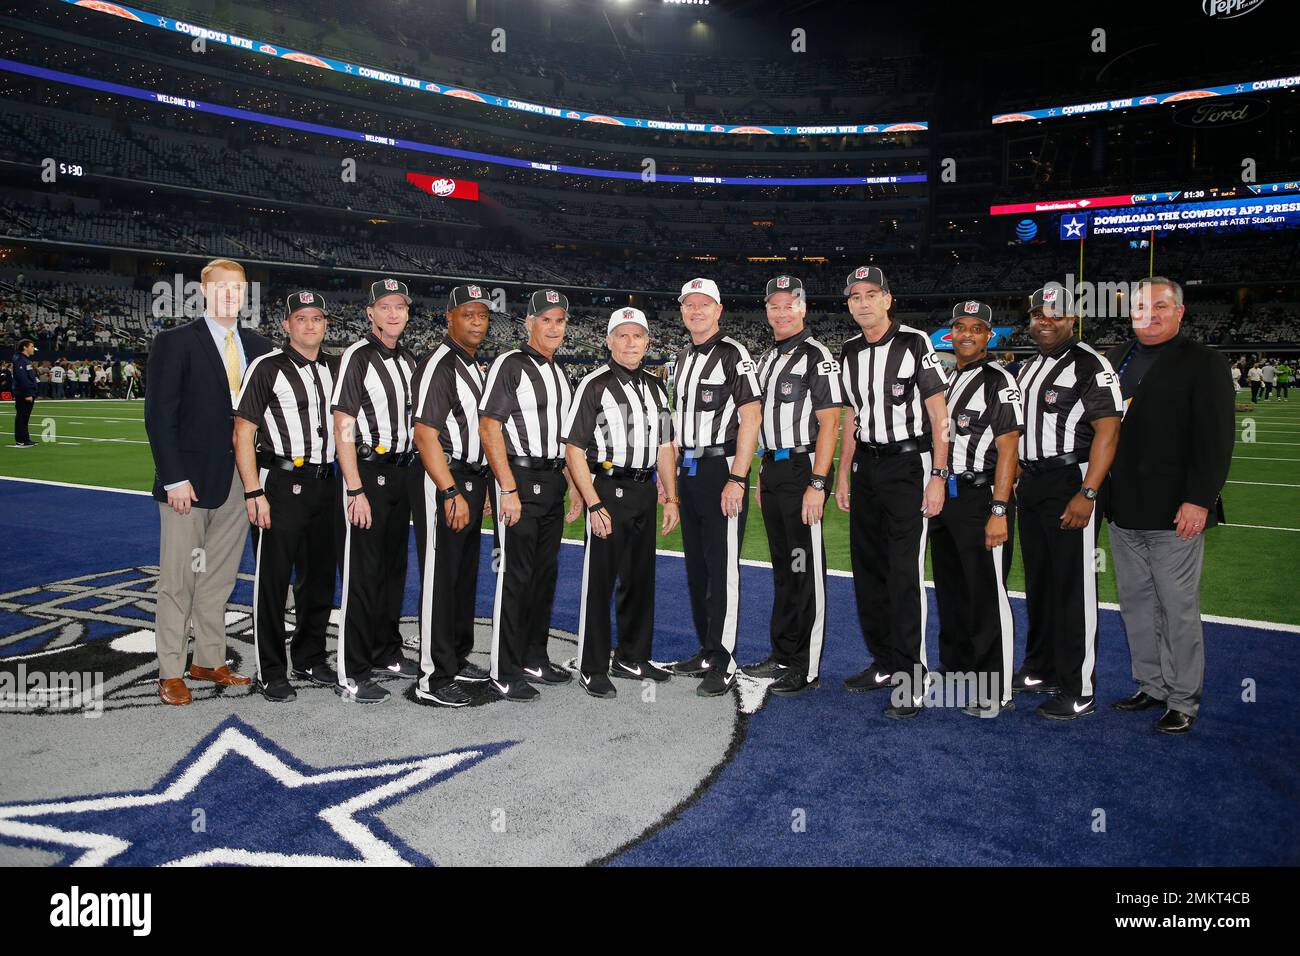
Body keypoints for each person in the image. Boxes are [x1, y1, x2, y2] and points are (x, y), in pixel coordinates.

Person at [1105, 277, 1234, 735]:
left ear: (1180, 312)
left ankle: (1183, 698)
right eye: (1141, 306)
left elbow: (1216, 439)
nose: (1150, 314)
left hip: (1175, 510)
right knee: (1136, 604)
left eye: (1161, 306)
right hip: (1123, 506)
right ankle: (1151, 685)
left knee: (1177, 607)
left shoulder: (1204, 362)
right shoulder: (1116, 358)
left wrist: (1199, 500)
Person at [144, 258, 272, 705]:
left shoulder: (259, 346)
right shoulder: (175, 341)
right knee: (178, 580)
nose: (230, 295)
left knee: (218, 578)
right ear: (203, 291)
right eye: (221, 288)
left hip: (241, 479)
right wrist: (173, 477)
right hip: (190, 483)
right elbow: (159, 416)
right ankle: (170, 670)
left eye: (237, 288)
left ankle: (209, 659)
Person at [835, 265, 951, 719]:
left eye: (871, 294)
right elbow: (851, 417)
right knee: (869, 570)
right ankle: (883, 661)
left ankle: (912, 676)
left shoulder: (914, 342)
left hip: (908, 464)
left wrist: (938, 474)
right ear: (849, 305)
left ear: (888, 299)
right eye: (855, 296)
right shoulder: (848, 350)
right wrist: (843, 474)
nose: (863, 302)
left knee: (904, 574)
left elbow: (939, 414)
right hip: (867, 464)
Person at [1012, 284, 1122, 720]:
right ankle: (1041, 668)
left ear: (1072, 319)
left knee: (1074, 585)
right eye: (1039, 314)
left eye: (1055, 314)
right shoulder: (1028, 367)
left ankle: (1079, 688)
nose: (1046, 321)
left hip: (1070, 478)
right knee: (1040, 581)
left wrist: (1088, 492)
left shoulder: (1090, 363)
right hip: (1033, 481)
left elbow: (1109, 431)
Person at [562, 307, 680, 699]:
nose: (631, 343)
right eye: (623, 335)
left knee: (639, 579)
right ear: (609, 341)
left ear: (647, 342)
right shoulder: (594, 384)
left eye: (637, 336)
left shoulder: (657, 388)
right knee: (599, 581)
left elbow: (666, 445)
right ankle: (592, 665)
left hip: (644, 489)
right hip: (608, 488)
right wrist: (593, 503)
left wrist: (671, 496)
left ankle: (632, 656)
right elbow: (574, 449)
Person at [234, 291, 340, 703]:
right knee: (274, 581)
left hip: (326, 483)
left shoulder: (336, 367)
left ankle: (310, 656)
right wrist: (253, 490)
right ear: (287, 325)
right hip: (280, 482)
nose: (310, 325)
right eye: (301, 318)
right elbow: (243, 432)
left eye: (317, 318)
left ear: (325, 324)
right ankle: (271, 670)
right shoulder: (267, 367)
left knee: (319, 579)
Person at [480, 288, 582, 703]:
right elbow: (489, 427)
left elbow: (564, 439)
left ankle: (534, 657)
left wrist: (574, 486)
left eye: (559, 321)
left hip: (552, 479)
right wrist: (506, 487)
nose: (553, 328)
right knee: (514, 576)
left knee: (544, 576)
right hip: (519, 479)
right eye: (545, 320)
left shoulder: (560, 371)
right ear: (529, 323)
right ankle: (504, 670)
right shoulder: (511, 364)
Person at [743, 276, 842, 696]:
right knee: (785, 569)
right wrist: (760, 476)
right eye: (774, 306)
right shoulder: (768, 357)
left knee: (805, 569)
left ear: (803, 308)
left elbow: (831, 423)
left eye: (789, 305)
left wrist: (818, 482)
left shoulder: (816, 355)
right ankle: (782, 653)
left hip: (803, 469)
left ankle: (807, 665)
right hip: (774, 469)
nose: (781, 313)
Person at [667, 277, 762, 698]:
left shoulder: (734, 354)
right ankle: (707, 649)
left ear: (719, 310)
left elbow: (751, 418)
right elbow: (674, 422)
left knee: (722, 567)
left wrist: (738, 477)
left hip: (720, 466)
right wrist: (667, 478)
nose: (696, 311)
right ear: (682, 310)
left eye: (704, 304)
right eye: (689, 304)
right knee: (697, 566)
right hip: (687, 466)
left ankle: (724, 659)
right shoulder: (682, 357)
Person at [331, 277, 422, 704]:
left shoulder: (409, 359)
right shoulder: (358, 356)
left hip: (402, 473)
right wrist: (354, 487)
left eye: (399, 307)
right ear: (370, 313)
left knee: (392, 570)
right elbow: (343, 423)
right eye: (384, 307)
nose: (393, 313)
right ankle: (352, 670)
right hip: (368, 471)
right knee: (362, 574)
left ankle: (386, 650)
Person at [931, 302, 1022, 718]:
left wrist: (999, 508)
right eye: (960, 327)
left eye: (976, 328)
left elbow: (1009, 449)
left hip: (981, 496)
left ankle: (995, 686)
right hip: (947, 496)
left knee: (986, 592)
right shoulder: (949, 379)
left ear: (989, 335)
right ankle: (957, 666)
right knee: (951, 587)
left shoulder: (998, 380)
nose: (966, 334)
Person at [409, 285, 498, 707]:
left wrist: (481, 486)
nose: (477, 322)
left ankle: (457, 657)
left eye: (483, 315)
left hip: (472, 477)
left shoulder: (473, 364)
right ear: (449, 318)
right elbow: (425, 434)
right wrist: (449, 490)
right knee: (440, 576)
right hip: (445, 476)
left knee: (463, 576)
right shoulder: (440, 363)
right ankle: (433, 676)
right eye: (468, 314)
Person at [11, 339, 38, 447]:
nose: (33, 349)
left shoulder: (25, 359)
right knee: (22, 416)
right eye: (31, 346)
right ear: (25, 347)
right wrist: (27, 393)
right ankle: (21, 439)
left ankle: (25, 438)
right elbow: (22, 377)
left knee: (25, 417)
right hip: (23, 393)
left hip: (26, 391)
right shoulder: (20, 359)